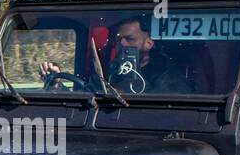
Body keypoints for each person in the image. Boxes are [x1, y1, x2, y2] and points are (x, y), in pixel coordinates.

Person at [39, 15, 193, 95]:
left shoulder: (167, 73)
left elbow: (167, 107)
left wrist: (124, 92)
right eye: (119, 40)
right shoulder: (108, 73)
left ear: (149, 44)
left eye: (130, 39)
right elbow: (85, 98)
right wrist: (57, 85)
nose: (123, 44)